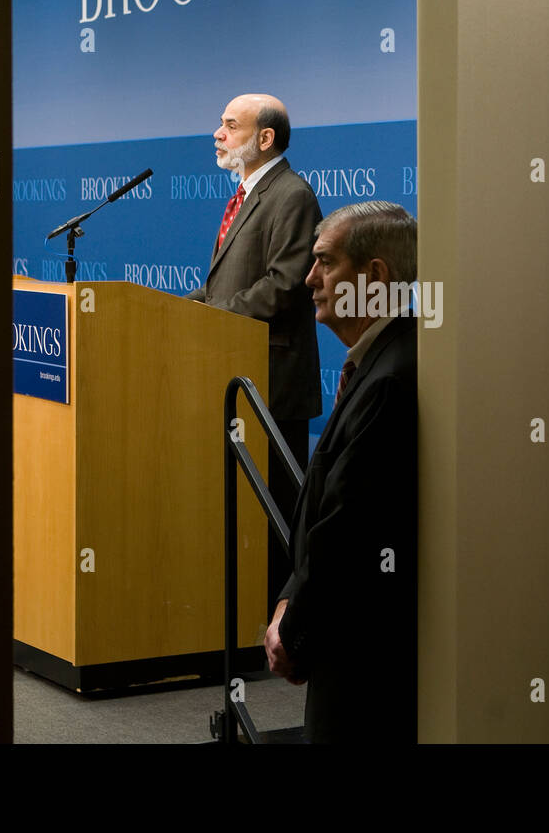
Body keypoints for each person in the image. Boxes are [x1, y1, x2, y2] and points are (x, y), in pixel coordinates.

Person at [263, 201, 418, 744]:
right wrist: (287, 601)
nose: (309, 280)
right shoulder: (375, 362)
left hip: (364, 661)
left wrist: (294, 628)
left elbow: (350, 527)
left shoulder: (394, 376)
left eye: (325, 262)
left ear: (373, 277)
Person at [186, 94, 322, 607]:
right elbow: (225, 286)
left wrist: (213, 314)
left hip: (273, 378)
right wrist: (178, 310)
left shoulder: (291, 195)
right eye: (220, 124)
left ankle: (283, 618)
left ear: (265, 138)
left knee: (277, 511)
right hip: (238, 371)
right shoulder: (246, 195)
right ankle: (248, 611)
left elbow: (286, 285)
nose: (217, 134)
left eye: (229, 125)